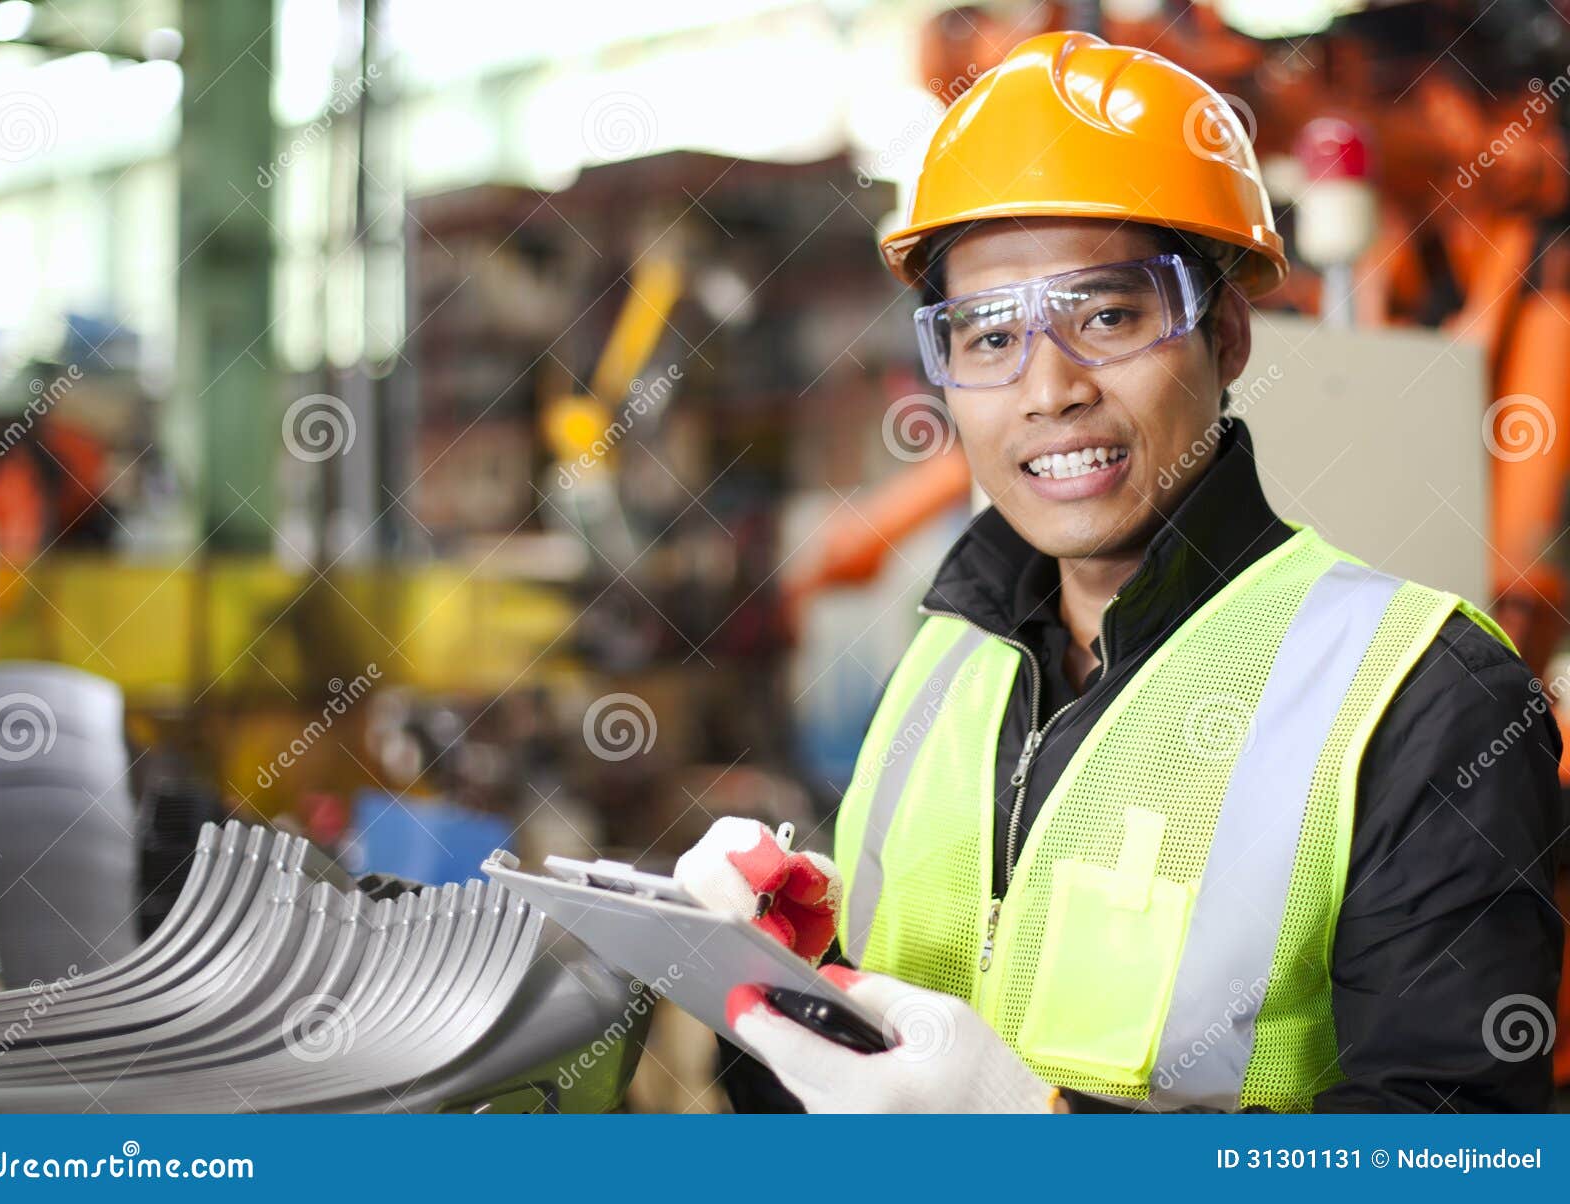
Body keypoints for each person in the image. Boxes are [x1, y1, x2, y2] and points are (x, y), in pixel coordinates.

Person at [672, 29, 1568, 1114]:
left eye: (1105, 314)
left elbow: (1453, 1162)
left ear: (1226, 335)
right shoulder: (947, 656)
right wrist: (783, 978)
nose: (1048, 388)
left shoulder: (1423, 696)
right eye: (987, 335)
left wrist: (1037, 1136)